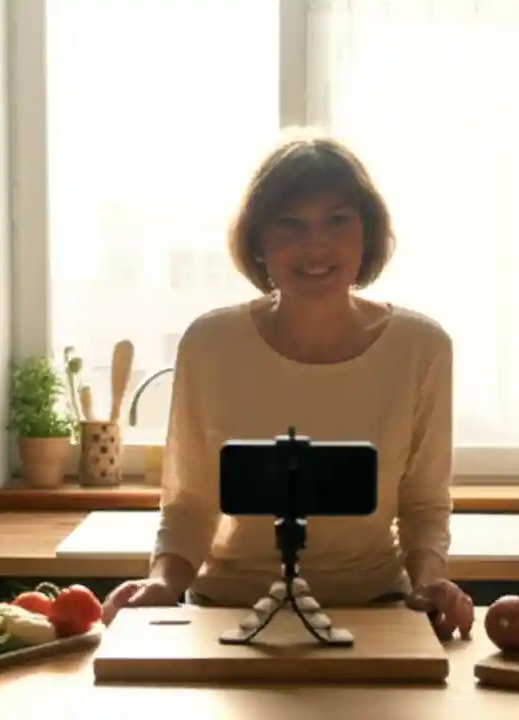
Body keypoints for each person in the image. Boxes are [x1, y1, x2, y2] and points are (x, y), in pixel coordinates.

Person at [101, 128, 474, 640]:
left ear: (367, 233)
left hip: (372, 609)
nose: (315, 244)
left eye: (337, 221)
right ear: (259, 242)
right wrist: (162, 583)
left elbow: (424, 502)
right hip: (227, 611)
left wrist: (432, 582)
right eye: (290, 225)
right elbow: (190, 503)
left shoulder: (422, 347)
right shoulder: (210, 343)